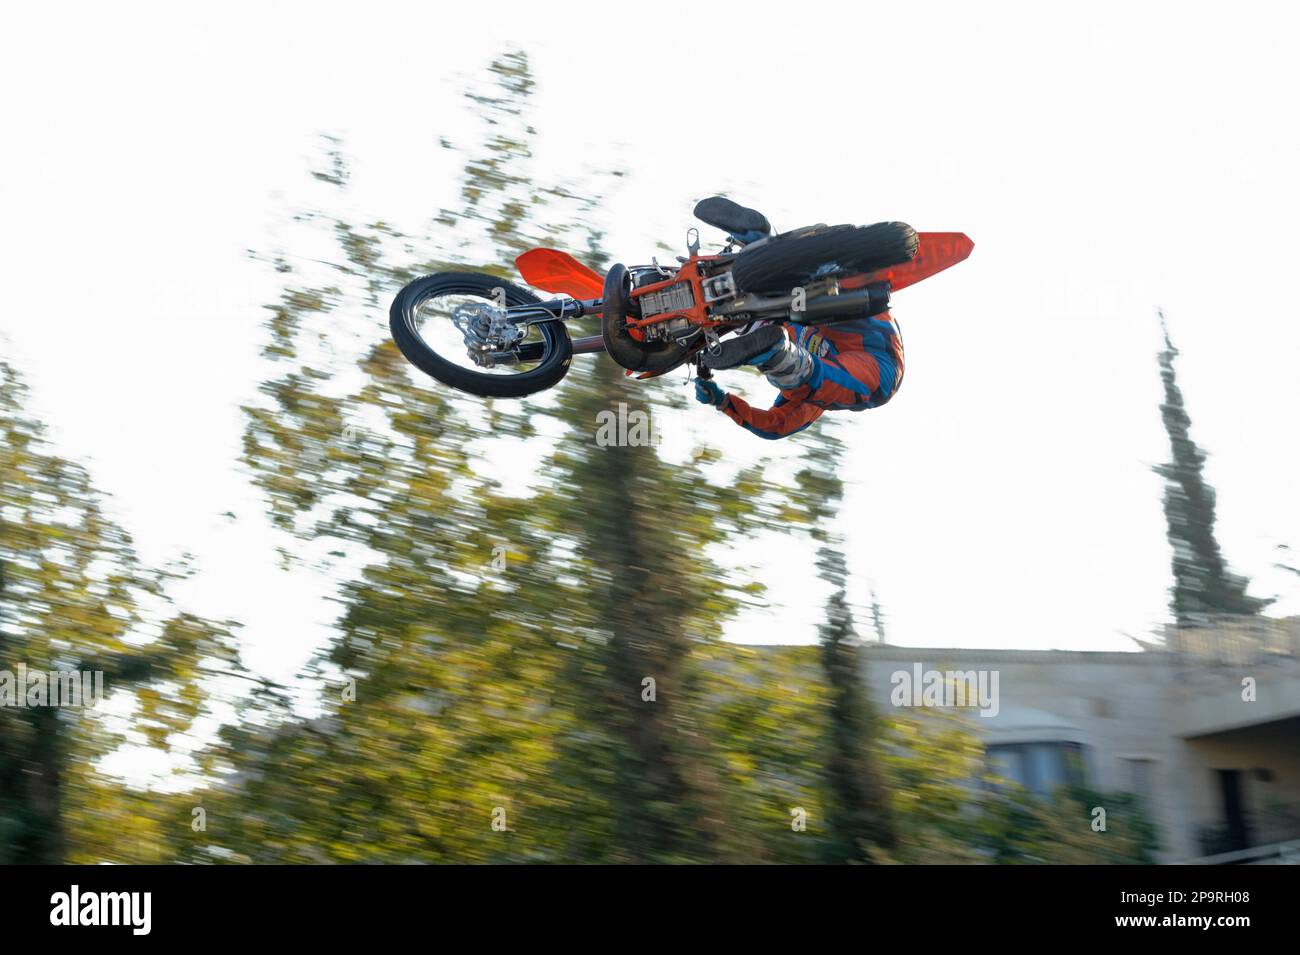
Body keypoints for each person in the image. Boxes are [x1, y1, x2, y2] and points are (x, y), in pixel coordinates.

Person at [693, 311, 904, 439]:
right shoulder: (812, 400)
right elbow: (775, 427)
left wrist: (722, 402)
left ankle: (779, 358)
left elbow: (773, 425)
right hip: (878, 356)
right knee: (809, 385)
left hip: (829, 316)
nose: (746, 331)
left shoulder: (802, 400)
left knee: (800, 385)